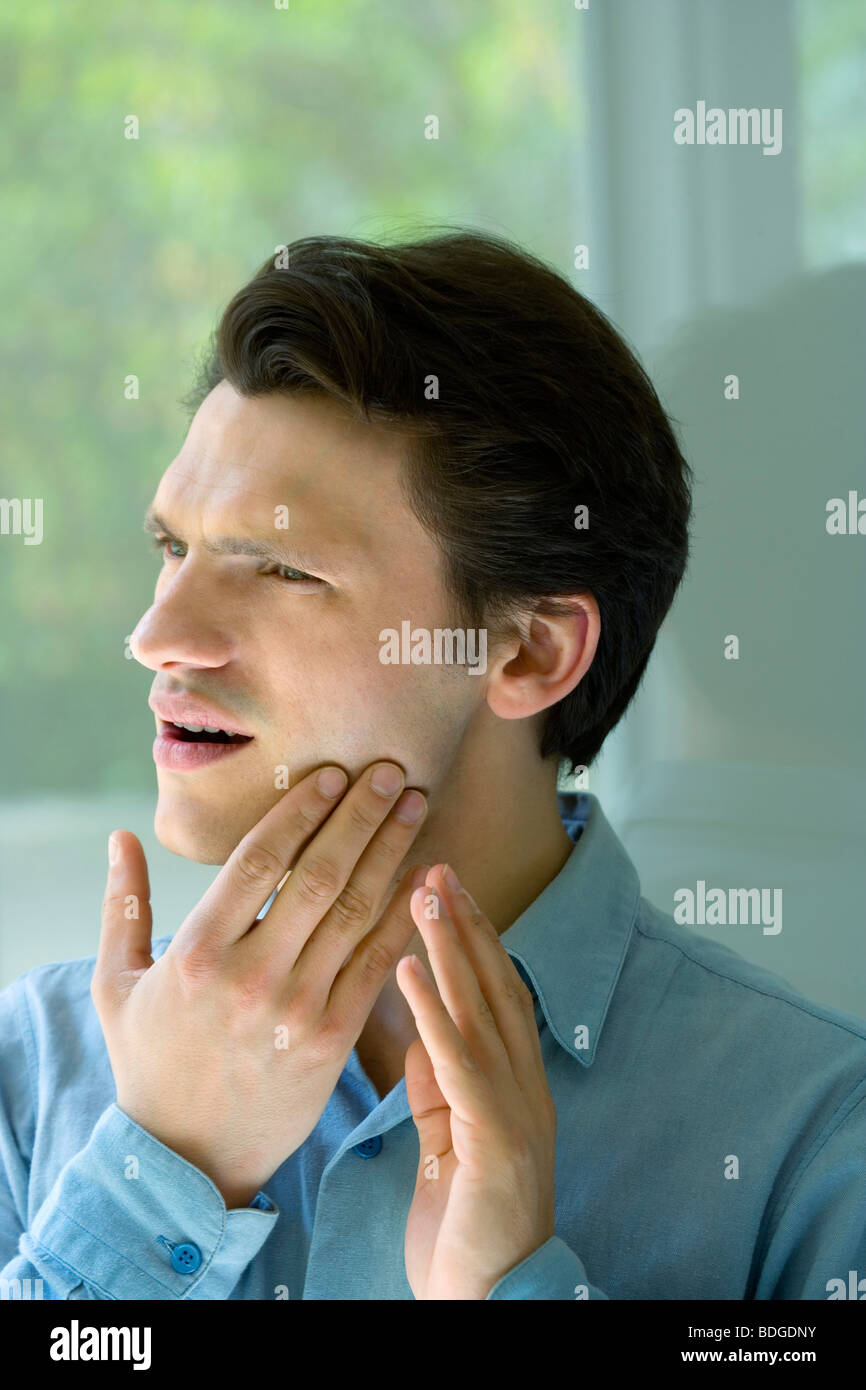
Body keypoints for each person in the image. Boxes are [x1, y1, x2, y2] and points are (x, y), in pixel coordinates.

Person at [1, 231, 863, 1301]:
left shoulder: (815, 1134)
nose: (157, 633)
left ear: (528, 649)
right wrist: (155, 1184)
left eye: (279, 568)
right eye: (173, 549)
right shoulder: (31, 1073)